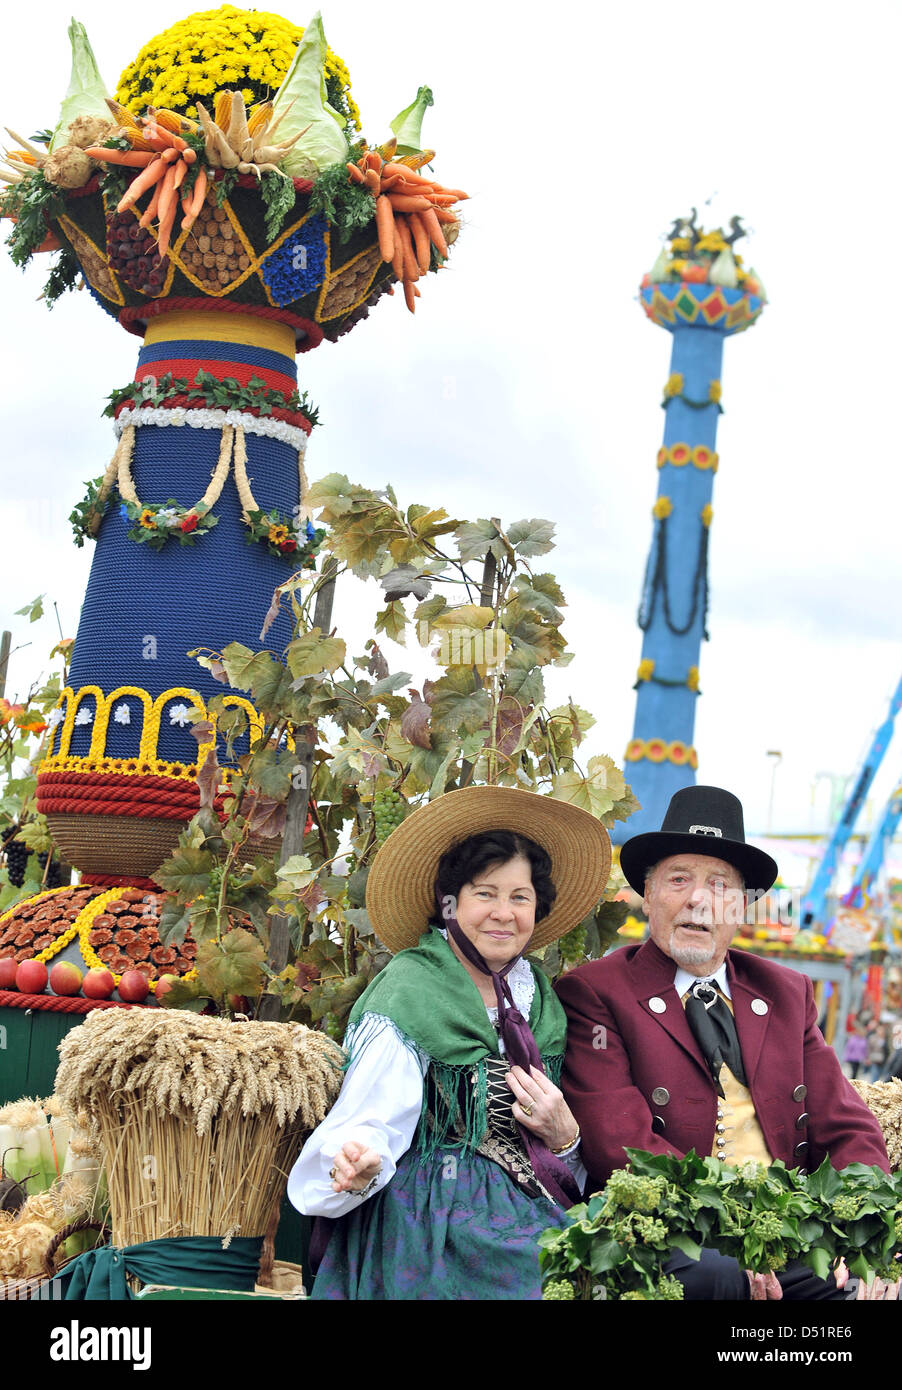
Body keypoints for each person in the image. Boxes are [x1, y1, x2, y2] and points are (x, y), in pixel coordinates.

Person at [556, 785, 892, 1301]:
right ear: (647, 896)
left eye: (720, 885)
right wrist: (742, 1235)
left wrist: (870, 1241)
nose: (698, 899)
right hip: (674, 1228)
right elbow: (621, 1147)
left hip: (788, 1230)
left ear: (743, 908)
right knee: (715, 1277)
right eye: (678, 879)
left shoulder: (786, 991)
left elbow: (847, 1124)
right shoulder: (597, 992)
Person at [287, 783, 611, 1299]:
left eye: (519, 897)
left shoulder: (541, 1000)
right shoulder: (413, 987)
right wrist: (360, 1158)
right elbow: (371, 1115)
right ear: (450, 904)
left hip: (533, 1202)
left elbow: (550, 1146)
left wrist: (566, 1138)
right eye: (485, 894)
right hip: (434, 1211)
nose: (503, 913)